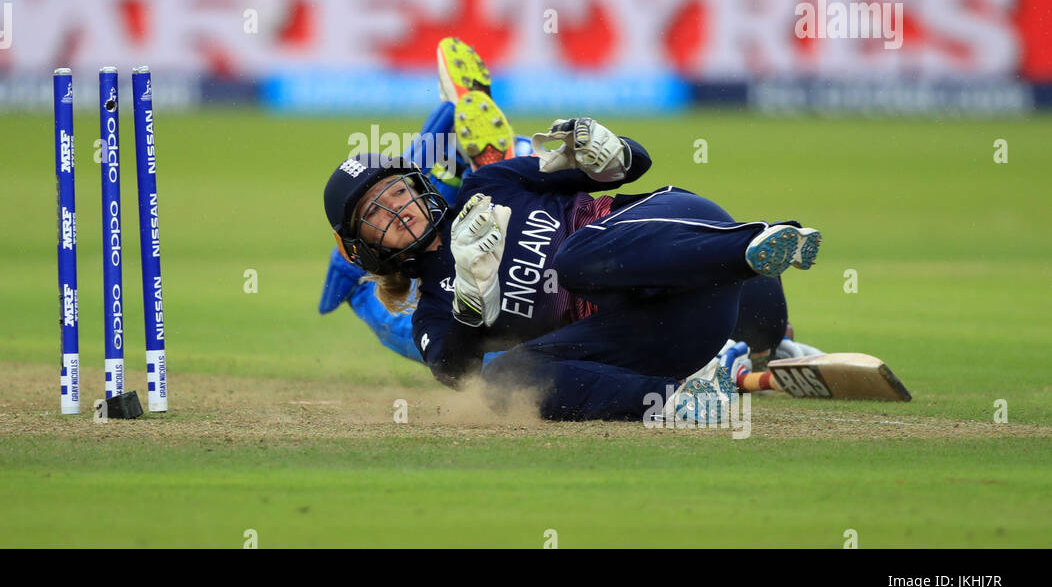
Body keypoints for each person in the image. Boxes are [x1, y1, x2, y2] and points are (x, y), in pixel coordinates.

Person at [319, 38, 823, 378]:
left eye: (400, 195)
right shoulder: (430, 304)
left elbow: (634, 164)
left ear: (421, 187)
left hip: (654, 235)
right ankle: (737, 364)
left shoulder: (489, 185)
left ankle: (751, 290)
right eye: (378, 214)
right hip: (651, 323)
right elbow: (452, 369)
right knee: (514, 379)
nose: (398, 211)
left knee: (574, 256)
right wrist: (471, 298)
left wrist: (611, 152)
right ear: (367, 246)